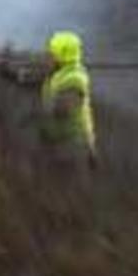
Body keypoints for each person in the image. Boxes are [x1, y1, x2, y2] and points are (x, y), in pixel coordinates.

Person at [35, 31, 97, 171]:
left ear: (62, 56)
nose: (46, 58)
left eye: (51, 54)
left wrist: (34, 115)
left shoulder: (74, 78)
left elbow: (62, 110)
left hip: (73, 148)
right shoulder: (58, 74)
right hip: (60, 144)